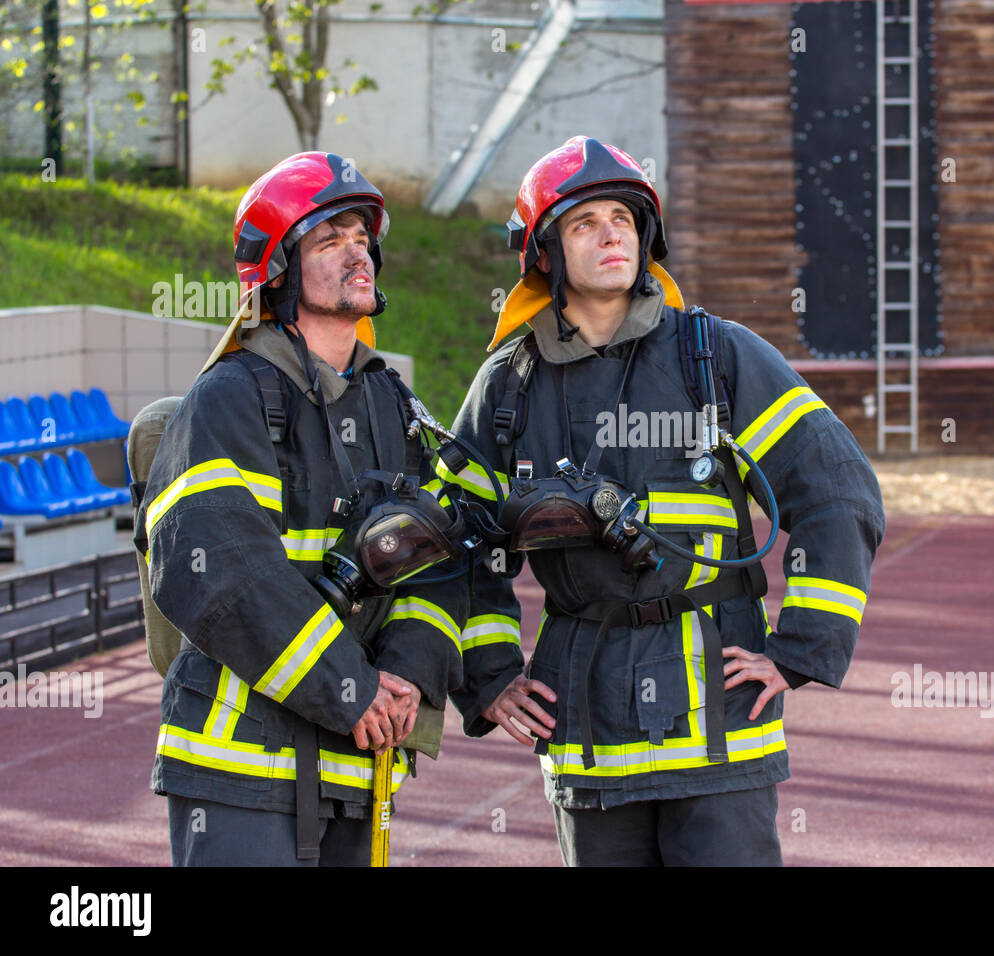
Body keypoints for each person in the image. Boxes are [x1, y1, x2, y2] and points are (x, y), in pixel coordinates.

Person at [445, 135, 886, 866]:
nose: (610, 232)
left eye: (622, 216)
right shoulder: (508, 386)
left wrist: (803, 646)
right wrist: (488, 676)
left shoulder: (714, 355)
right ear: (545, 254)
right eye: (584, 222)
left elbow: (836, 488)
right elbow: (459, 540)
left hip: (719, 712)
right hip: (585, 722)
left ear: (646, 234)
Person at [135, 152, 465, 866]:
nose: (358, 252)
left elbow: (438, 561)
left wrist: (407, 671)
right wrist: (352, 687)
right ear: (277, 273)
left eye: (361, 237)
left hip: (357, 763)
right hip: (238, 773)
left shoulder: (396, 406)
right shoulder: (227, 398)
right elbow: (221, 571)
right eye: (329, 239)